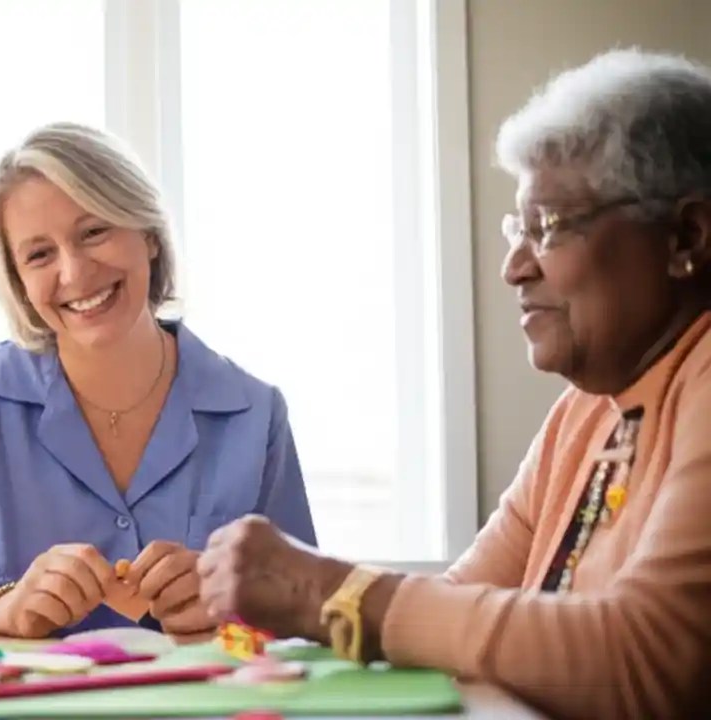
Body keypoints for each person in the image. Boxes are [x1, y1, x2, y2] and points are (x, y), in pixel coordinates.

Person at [196, 48, 711, 720]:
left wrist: (324, 590)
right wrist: (296, 601)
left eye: (549, 227)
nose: (514, 268)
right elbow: (457, 610)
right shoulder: (582, 414)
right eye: (516, 230)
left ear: (686, 236)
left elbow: (647, 660)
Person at [0, 123, 316, 641]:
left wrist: (229, 614)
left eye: (94, 232)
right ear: (19, 282)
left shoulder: (255, 413)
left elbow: (305, 623)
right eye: (39, 254)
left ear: (148, 234)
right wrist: (2, 613)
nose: (75, 271)